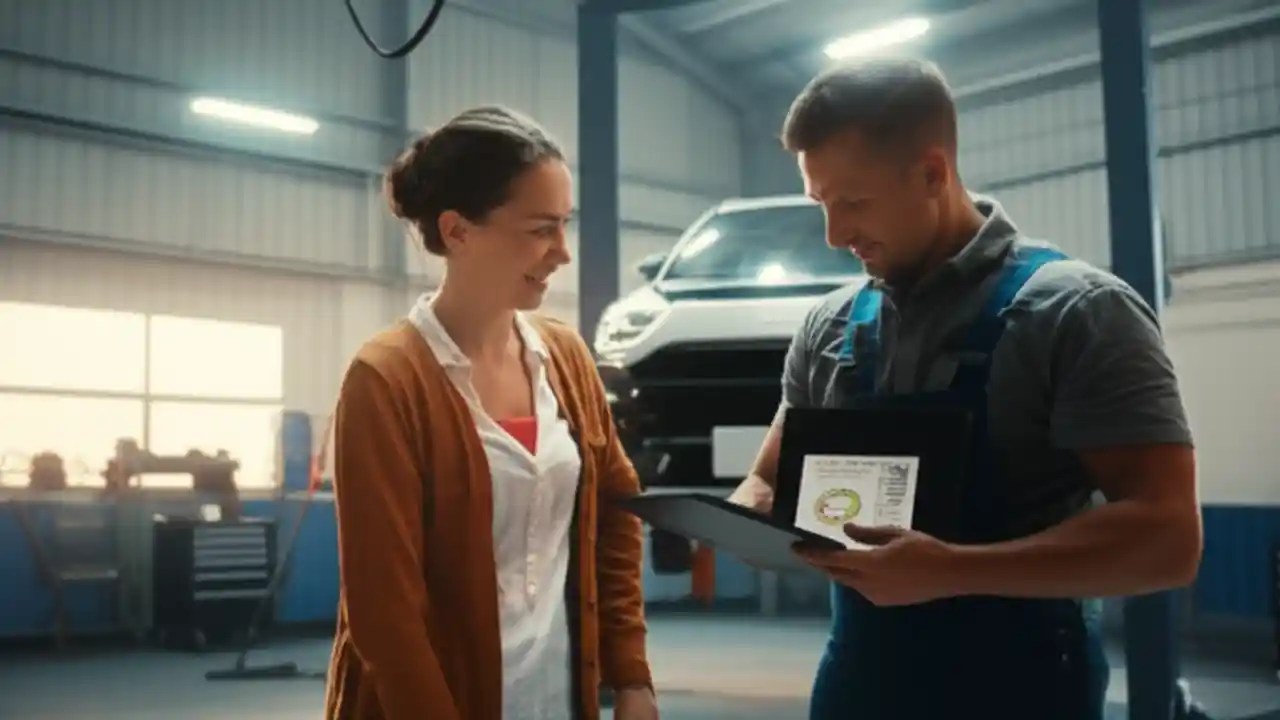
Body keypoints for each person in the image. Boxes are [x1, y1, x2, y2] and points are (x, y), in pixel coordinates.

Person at [728, 57, 1203, 720]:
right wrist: (745, 519)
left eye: (854, 203)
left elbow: (1168, 538)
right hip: (858, 678)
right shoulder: (830, 324)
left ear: (932, 172)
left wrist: (953, 569)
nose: (835, 235)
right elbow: (768, 483)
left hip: (1022, 688)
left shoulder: (1076, 312)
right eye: (822, 205)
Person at [324, 106, 659, 720]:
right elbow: (383, 611)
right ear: (457, 231)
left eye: (566, 225)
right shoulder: (386, 381)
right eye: (539, 229)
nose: (561, 252)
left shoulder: (566, 358)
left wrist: (630, 676)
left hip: (557, 697)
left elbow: (615, 514)